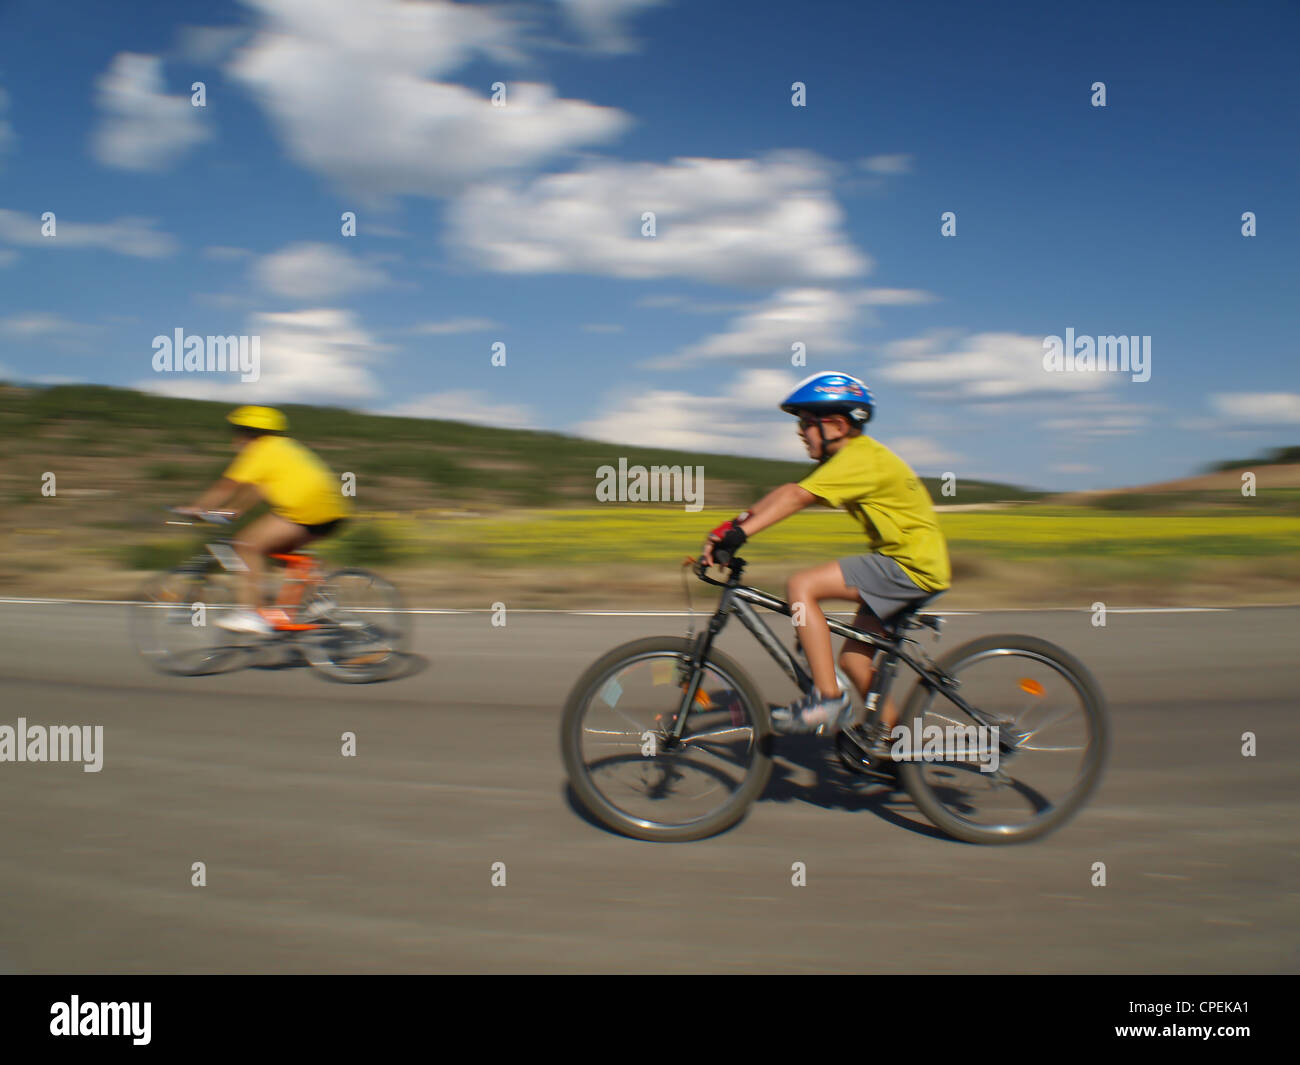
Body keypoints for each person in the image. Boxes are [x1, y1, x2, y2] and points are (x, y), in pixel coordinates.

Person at [701, 372, 950, 740]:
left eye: (806, 423)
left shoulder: (859, 458)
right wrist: (729, 527)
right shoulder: (857, 457)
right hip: (912, 566)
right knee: (853, 660)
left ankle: (828, 698)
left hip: (908, 567)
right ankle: (901, 749)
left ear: (834, 424)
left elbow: (796, 499)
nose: (800, 432)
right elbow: (790, 490)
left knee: (802, 585)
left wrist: (739, 535)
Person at [176, 406, 350, 635]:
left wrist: (196, 509)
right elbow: (260, 488)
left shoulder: (260, 450)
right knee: (277, 553)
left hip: (305, 511)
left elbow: (226, 486)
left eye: (236, 432)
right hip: (333, 512)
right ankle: (318, 598)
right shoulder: (286, 448)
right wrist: (235, 510)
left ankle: (249, 614)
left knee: (246, 547)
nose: (234, 438)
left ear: (247, 432)